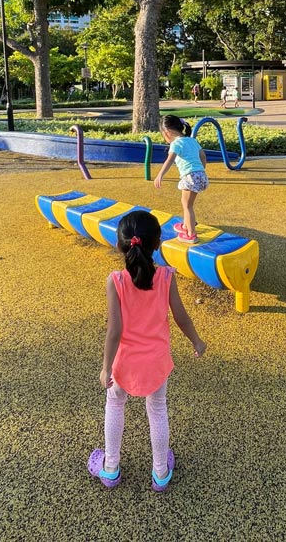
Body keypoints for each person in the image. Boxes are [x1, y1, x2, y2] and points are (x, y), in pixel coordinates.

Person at [88, 210, 206, 492]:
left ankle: (111, 468)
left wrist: (106, 367)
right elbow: (181, 317)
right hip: (156, 363)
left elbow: (114, 331)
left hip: (124, 363)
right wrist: (196, 341)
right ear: (157, 244)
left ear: (120, 246)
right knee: (157, 409)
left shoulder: (116, 281)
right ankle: (161, 472)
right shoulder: (166, 277)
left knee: (115, 404)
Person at [153, 114, 208, 243]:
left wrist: (160, 174)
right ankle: (186, 225)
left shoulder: (176, 144)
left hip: (190, 177)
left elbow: (169, 160)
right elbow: (203, 157)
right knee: (187, 203)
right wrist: (200, 170)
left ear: (167, 132)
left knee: (187, 206)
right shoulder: (192, 141)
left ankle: (191, 234)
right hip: (201, 175)